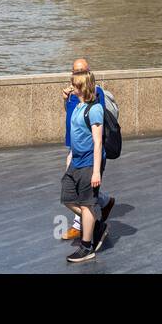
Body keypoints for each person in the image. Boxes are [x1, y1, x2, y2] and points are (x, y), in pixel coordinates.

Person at [61, 57, 115, 241]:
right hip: (74, 148)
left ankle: (84, 228)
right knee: (72, 191)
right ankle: (105, 203)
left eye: (81, 72)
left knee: (85, 192)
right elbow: (71, 118)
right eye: (75, 72)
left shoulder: (95, 93)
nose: (77, 75)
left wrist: (96, 170)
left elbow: (96, 132)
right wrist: (65, 100)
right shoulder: (72, 93)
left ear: (88, 73)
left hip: (89, 152)